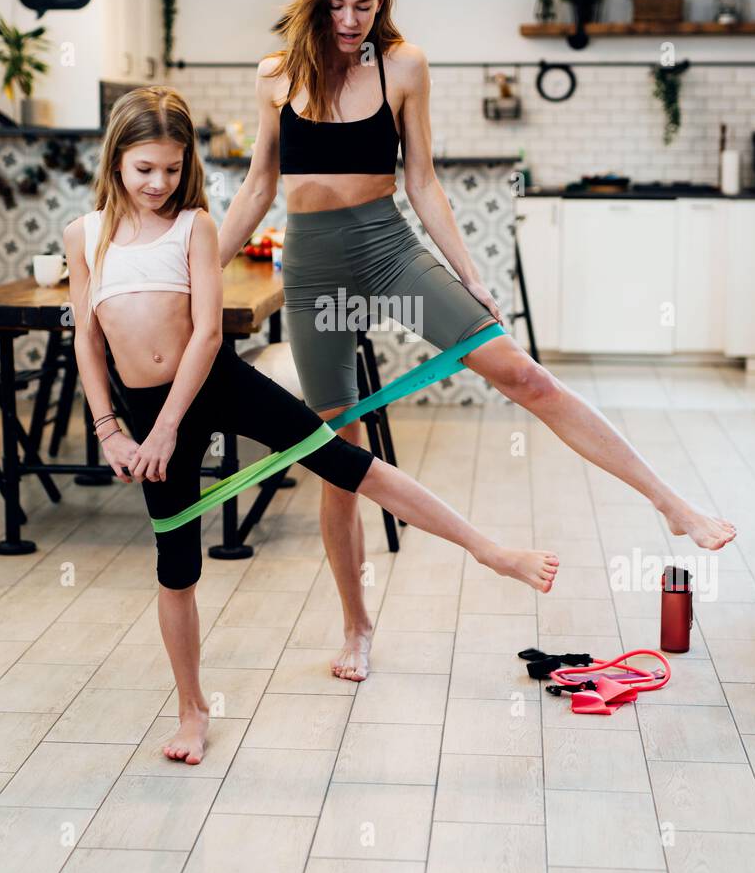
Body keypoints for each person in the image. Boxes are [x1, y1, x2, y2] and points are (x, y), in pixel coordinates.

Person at [216, 0, 737, 684]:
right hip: (313, 265)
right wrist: (204, 265)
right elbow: (259, 184)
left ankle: (669, 503)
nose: (350, 19)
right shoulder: (275, 75)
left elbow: (422, 180)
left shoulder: (403, 66)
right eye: (337, 5)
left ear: (381, 0)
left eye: (364, 5)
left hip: (386, 245)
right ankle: (357, 626)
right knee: (339, 454)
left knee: (523, 376)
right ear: (315, 0)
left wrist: (470, 276)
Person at [63, 86, 559, 765]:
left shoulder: (195, 226)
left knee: (344, 463)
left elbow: (208, 333)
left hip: (211, 387)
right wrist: (111, 428)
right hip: (144, 415)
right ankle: (192, 710)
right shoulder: (85, 236)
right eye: (144, 168)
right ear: (115, 160)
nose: (159, 183)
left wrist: (168, 427)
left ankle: (490, 552)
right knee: (175, 567)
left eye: (173, 170)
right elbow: (87, 341)